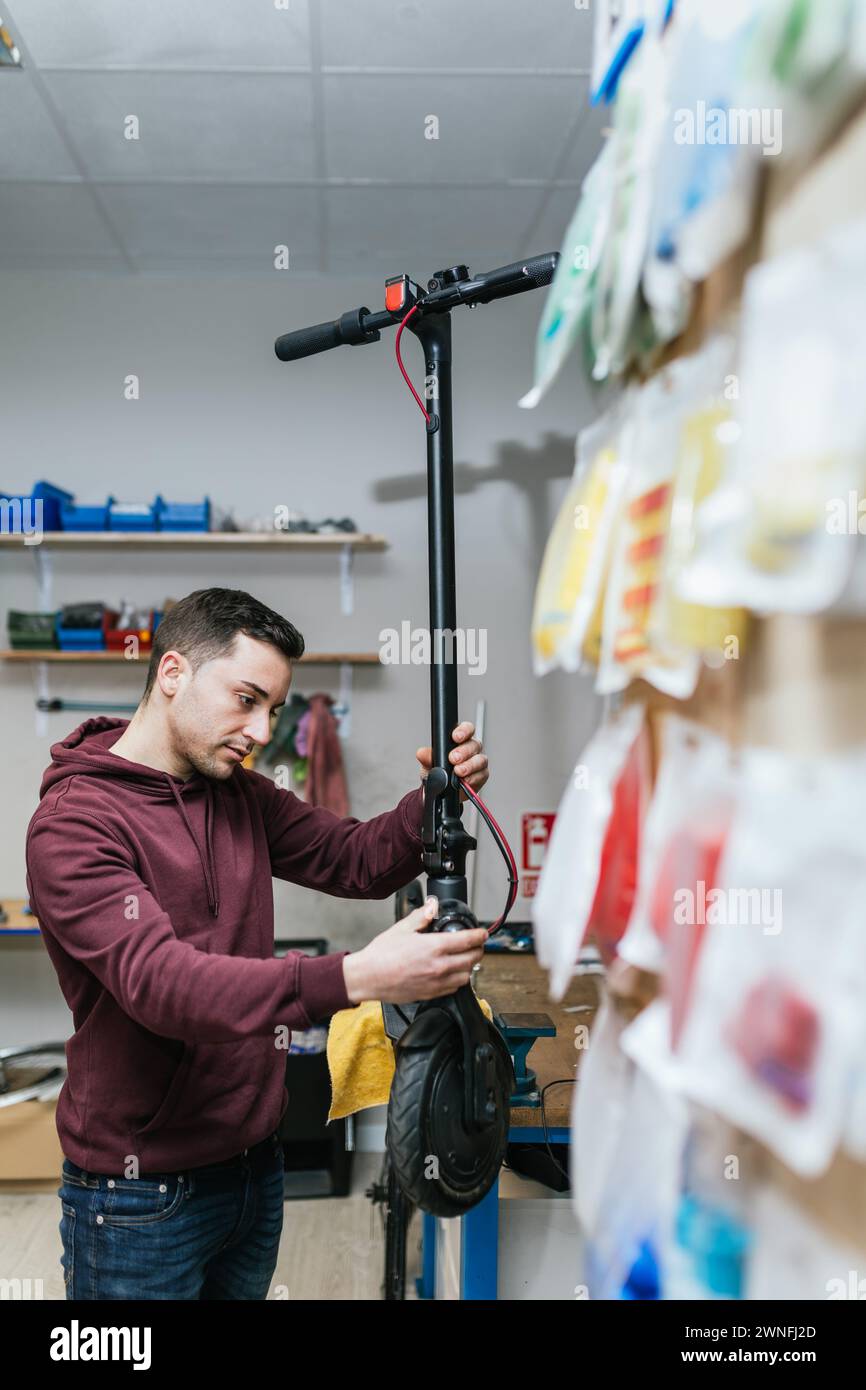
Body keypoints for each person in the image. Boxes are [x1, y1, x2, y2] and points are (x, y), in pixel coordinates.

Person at [25, 587, 490, 1300]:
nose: (262, 729)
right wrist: (359, 976)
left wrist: (434, 801)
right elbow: (166, 986)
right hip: (137, 1199)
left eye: (273, 708)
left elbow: (356, 859)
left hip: (253, 1168)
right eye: (246, 699)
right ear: (173, 672)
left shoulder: (239, 793)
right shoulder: (74, 825)